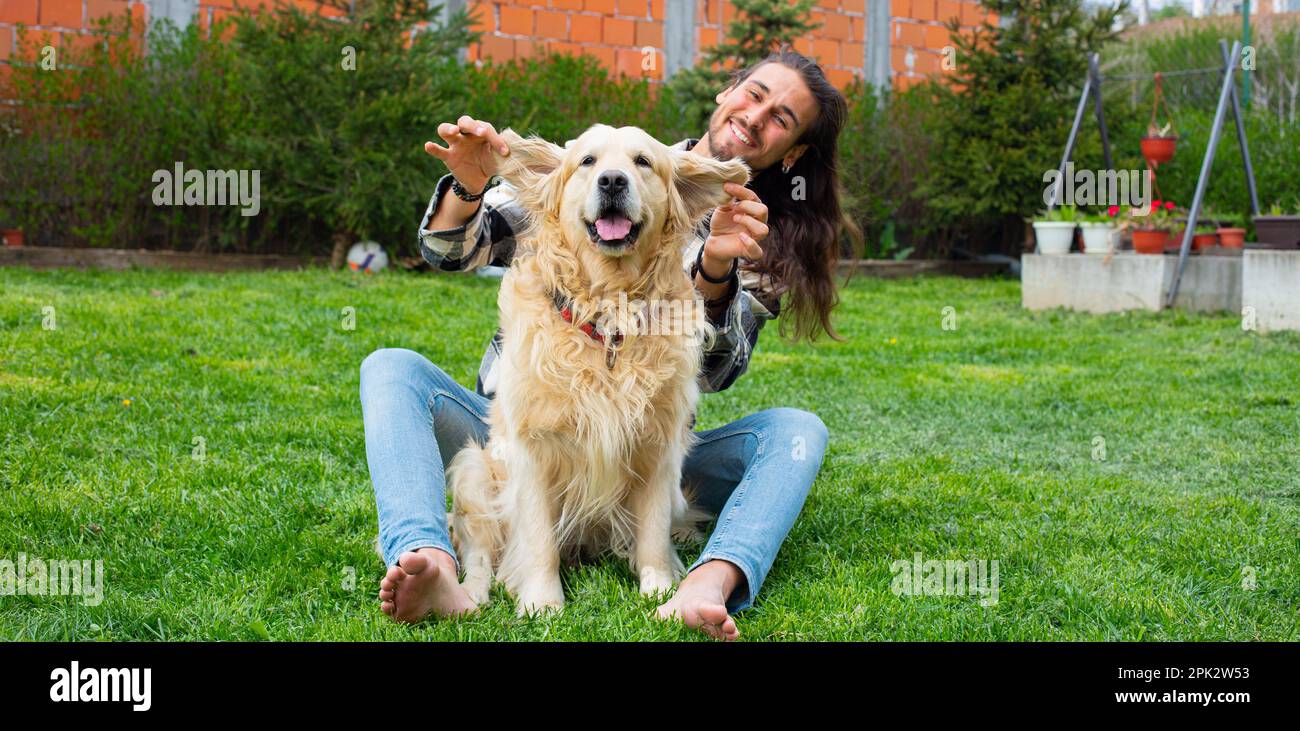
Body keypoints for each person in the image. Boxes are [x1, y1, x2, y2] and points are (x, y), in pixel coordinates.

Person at [361, 49, 861, 641]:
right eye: (754, 94)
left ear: (794, 150)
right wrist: (470, 187)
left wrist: (717, 267)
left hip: (650, 450)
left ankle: (708, 583)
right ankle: (431, 563)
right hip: (508, 434)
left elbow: (716, 374)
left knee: (799, 432)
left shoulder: (760, 232)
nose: (757, 116)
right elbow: (450, 252)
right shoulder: (596, 170)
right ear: (728, 92)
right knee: (390, 368)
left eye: (781, 118)